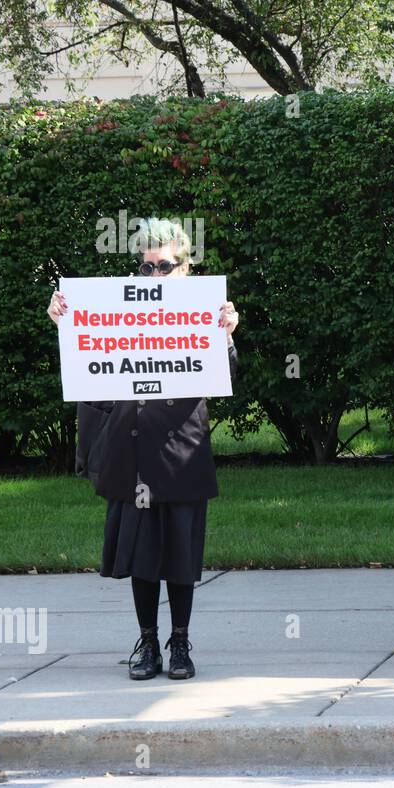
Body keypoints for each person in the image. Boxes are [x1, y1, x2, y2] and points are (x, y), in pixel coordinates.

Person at [47, 218, 239, 680]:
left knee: (180, 555)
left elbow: (227, 375)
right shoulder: (121, 309)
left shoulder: (205, 309)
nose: (154, 276)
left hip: (182, 449)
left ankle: (180, 644)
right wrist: (65, 322)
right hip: (130, 450)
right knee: (141, 553)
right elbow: (92, 371)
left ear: (185, 268)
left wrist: (227, 334)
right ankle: (148, 643)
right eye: (146, 266)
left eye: (165, 266)